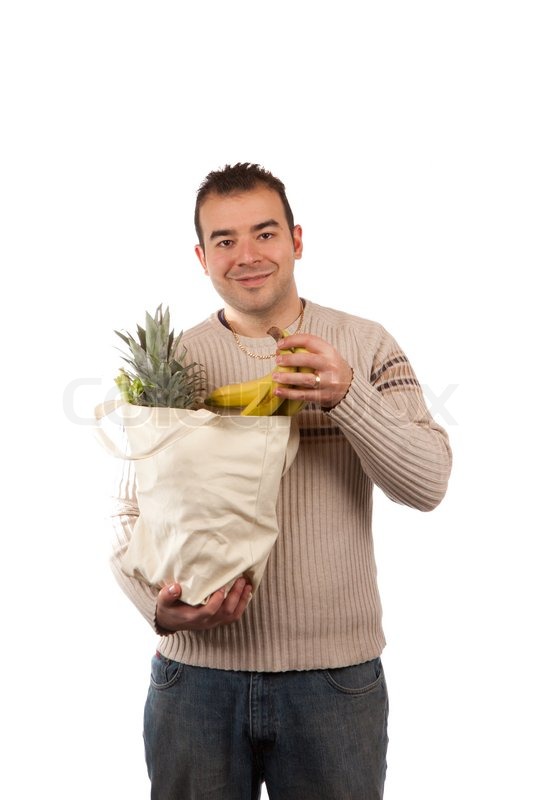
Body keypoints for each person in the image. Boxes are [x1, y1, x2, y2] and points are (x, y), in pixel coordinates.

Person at [110, 162, 452, 799]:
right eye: (225, 240)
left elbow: (428, 483)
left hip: (336, 681)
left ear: (297, 240)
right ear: (201, 256)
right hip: (195, 682)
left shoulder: (365, 344)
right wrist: (156, 609)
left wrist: (348, 397)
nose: (247, 255)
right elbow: (129, 515)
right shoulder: (175, 363)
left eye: (265, 234)